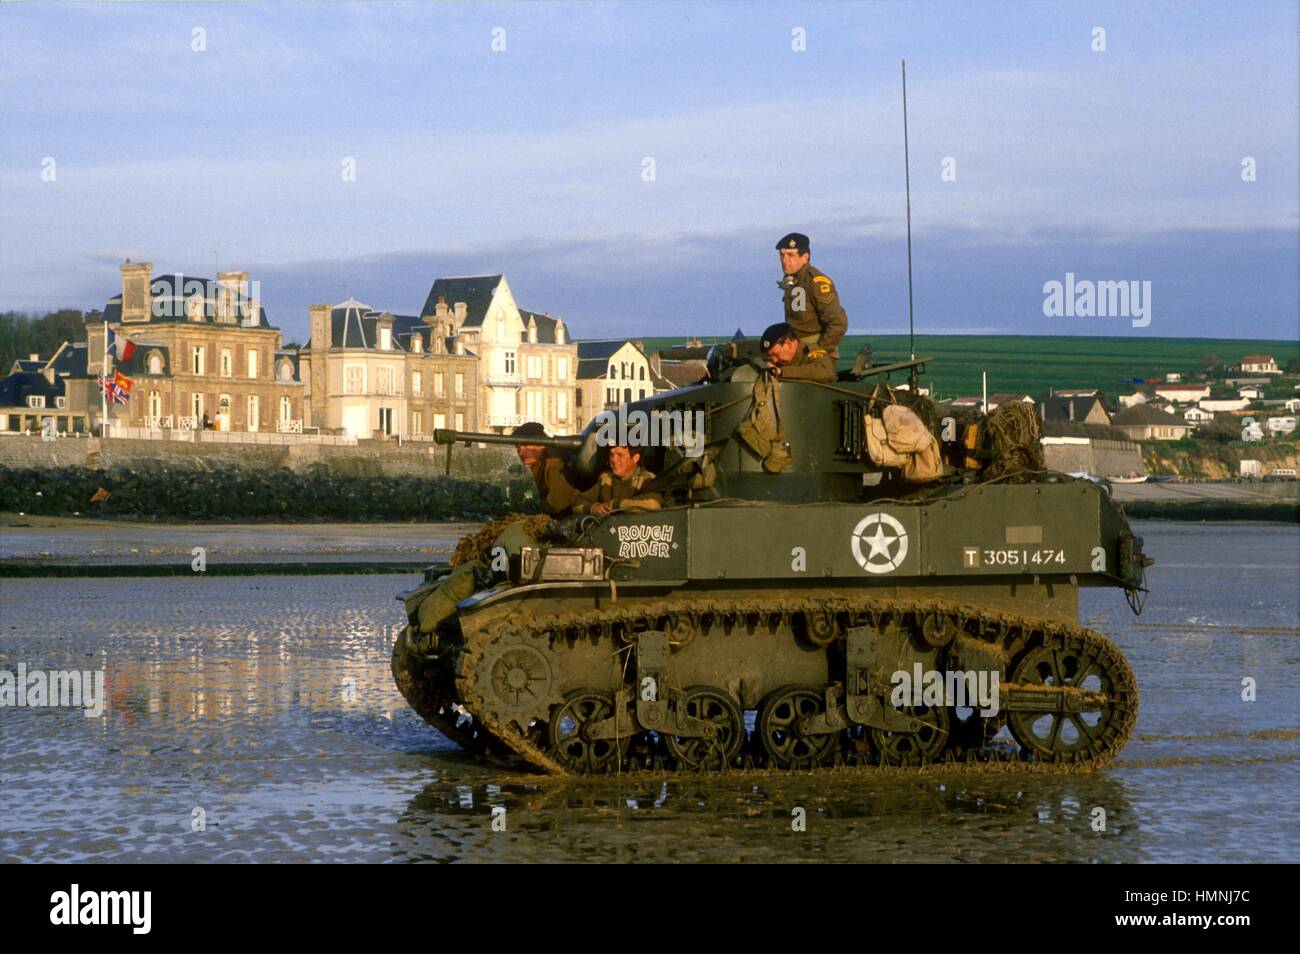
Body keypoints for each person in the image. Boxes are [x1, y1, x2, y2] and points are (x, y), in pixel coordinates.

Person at [775, 232, 848, 362]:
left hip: (815, 354)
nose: (784, 260)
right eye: (782, 255)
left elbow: (838, 323)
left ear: (805, 257)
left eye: (790, 255)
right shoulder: (791, 281)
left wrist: (819, 350)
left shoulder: (816, 282)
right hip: (796, 350)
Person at [512, 421, 579, 516]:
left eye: (525, 445)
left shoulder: (555, 465)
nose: (521, 452)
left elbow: (560, 508)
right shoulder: (539, 464)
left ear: (541, 444)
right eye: (518, 447)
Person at [573, 445, 661, 515]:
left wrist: (614, 505)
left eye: (620, 455)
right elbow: (577, 503)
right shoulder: (606, 479)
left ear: (635, 458)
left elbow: (653, 504)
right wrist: (594, 508)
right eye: (612, 454)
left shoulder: (647, 479)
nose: (613, 459)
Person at [760, 322, 836, 382]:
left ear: (789, 344)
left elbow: (826, 371)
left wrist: (782, 372)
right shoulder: (776, 363)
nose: (774, 360)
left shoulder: (810, 351)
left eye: (776, 354)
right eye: (771, 356)